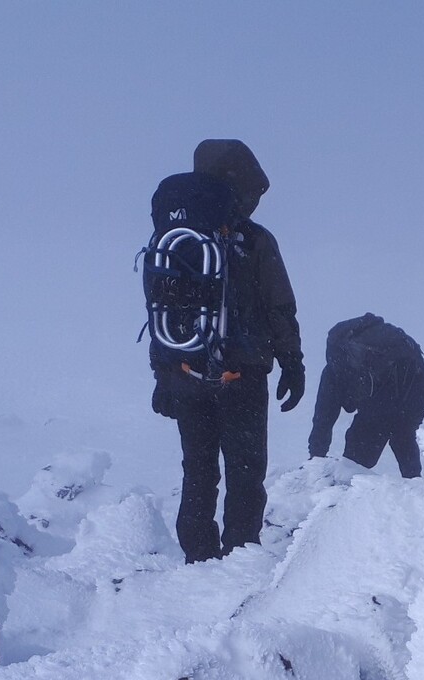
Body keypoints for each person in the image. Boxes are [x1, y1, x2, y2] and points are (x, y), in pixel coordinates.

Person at [150, 139, 305, 562]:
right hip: (243, 375)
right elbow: (279, 306)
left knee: (198, 471)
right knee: (245, 472)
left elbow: (159, 304)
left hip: (185, 371)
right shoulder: (255, 240)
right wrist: (293, 363)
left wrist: (163, 377)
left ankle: (198, 556)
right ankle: (239, 556)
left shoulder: (173, 239)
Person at [308, 314, 424, 479]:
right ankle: (414, 486)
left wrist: (316, 455)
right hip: (415, 389)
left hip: (392, 393)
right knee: (403, 436)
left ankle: (350, 489)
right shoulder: (353, 361)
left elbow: (323, 416)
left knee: (356, 459)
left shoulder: (336, 372)